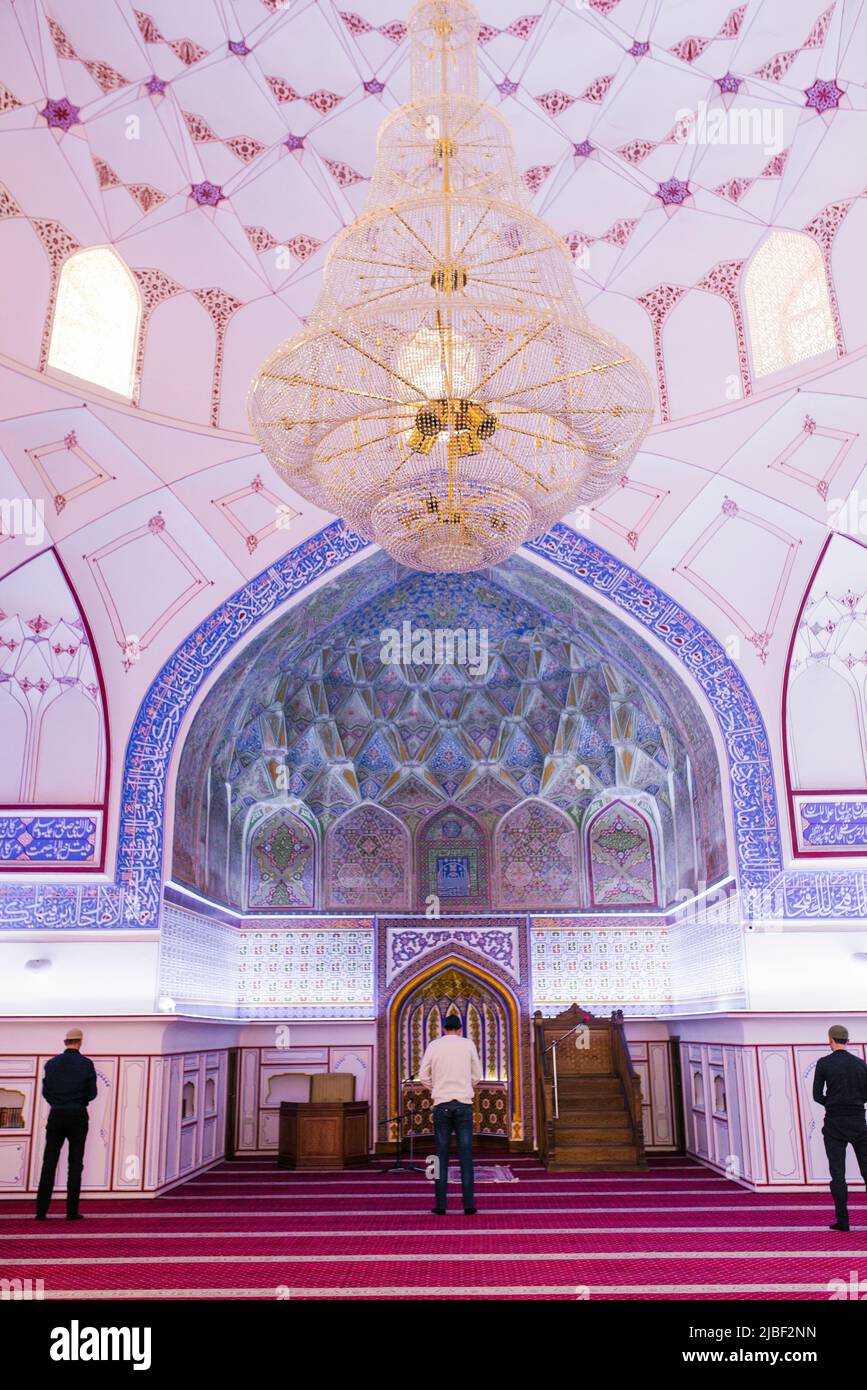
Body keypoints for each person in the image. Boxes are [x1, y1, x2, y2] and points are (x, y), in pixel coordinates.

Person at [417, 1014, 482, 1216]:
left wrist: (436, 1088)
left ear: (443, 1029)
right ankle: (469, 1205)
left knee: (440, 1156)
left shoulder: (434, 1045)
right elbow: (477, 1075)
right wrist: (465, 1087)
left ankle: (441, 1205)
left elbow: (423, 1076)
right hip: (464, 1104)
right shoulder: (468, 1044)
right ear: (460, 1029)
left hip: (441, 1104)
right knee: (466, 1155)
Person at [35, 1027, 97, 1221]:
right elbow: (92, 1094)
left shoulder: (51, 1064)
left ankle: (41, 1211)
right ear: (80, 1042)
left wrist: (58, 1102)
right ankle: (71, 1212)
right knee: (75, 1163)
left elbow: (46, 1092)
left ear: (65, 1042)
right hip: (78, 1115)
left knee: (49, 1162)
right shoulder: (86, 1064)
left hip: (56, 1114)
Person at [812, 1023, 867, 1231]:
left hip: (834, 1124)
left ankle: (842, 1221)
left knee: (838, 1174)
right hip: (858, 1122)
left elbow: (817, 1095)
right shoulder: (860, 1064)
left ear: (830, 1041)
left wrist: (833, 1104)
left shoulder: (824, 1063)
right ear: (848, 1041)